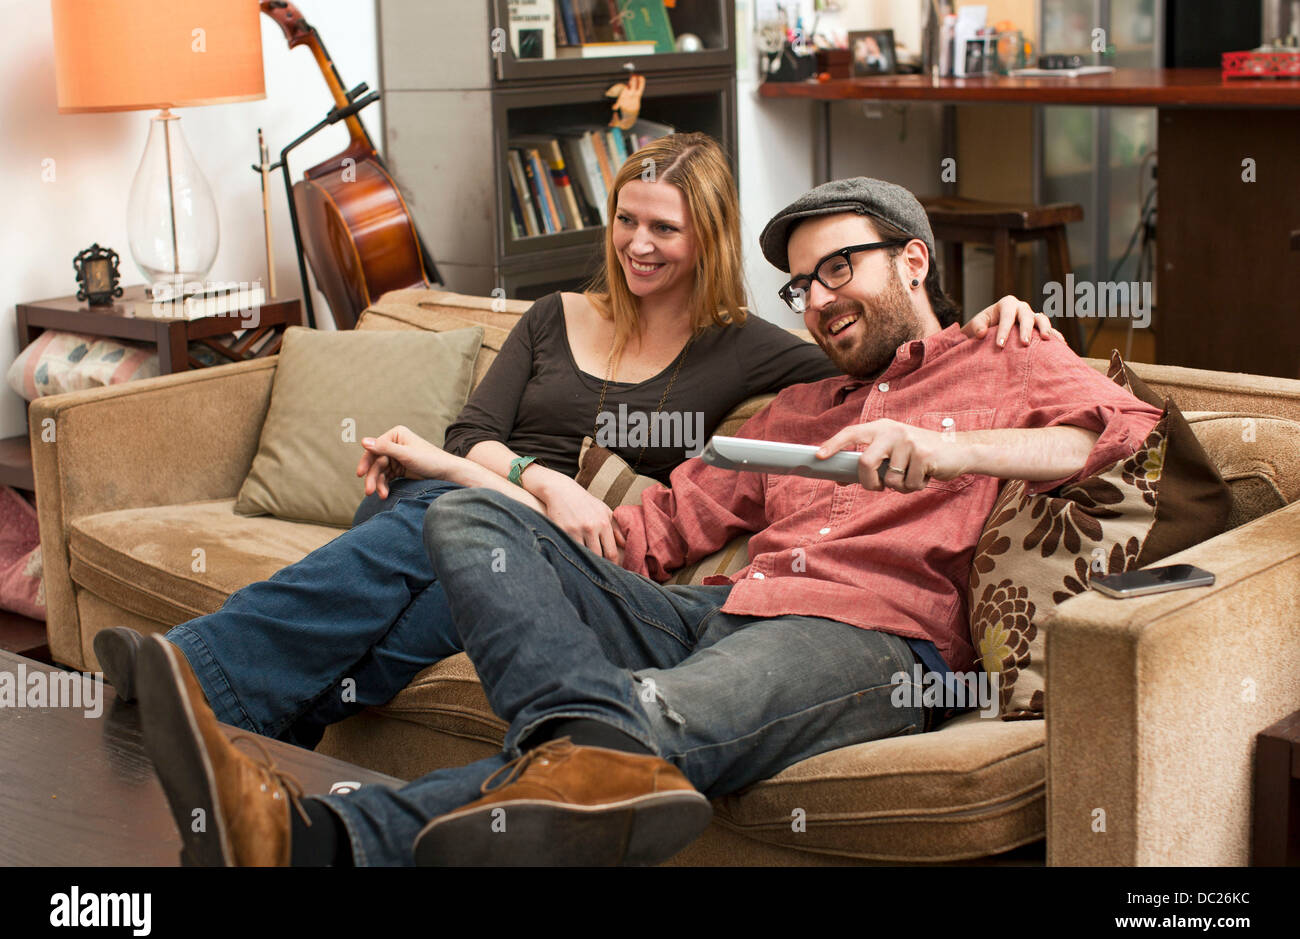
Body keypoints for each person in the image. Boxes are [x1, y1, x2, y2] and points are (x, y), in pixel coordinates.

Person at [132, 175, 1157, 867]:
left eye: (839, 268)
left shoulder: (1008, 355)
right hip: (715, 611)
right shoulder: (799, 408)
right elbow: (637, 539)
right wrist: (451, 464)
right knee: (455, 517)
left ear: (914, 262)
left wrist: (954, 448)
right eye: (802, 284)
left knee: (651, 714)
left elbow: (1114, 433)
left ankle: (309, 839)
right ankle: (577, 740)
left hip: (872, 641)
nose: (817, 301)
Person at [94, 133, 1050, 750]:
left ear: (705, 239)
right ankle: (234, 700)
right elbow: (471, 434)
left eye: (663, 228)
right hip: (496, 509)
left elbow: (892, 371)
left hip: (560, 547)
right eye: (626, 220)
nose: (638, 244)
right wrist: (545, 485)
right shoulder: (553, 318)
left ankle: (210, 686)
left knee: (452, 535)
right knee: (437, 511)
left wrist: (990, 317)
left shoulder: (764, 353)